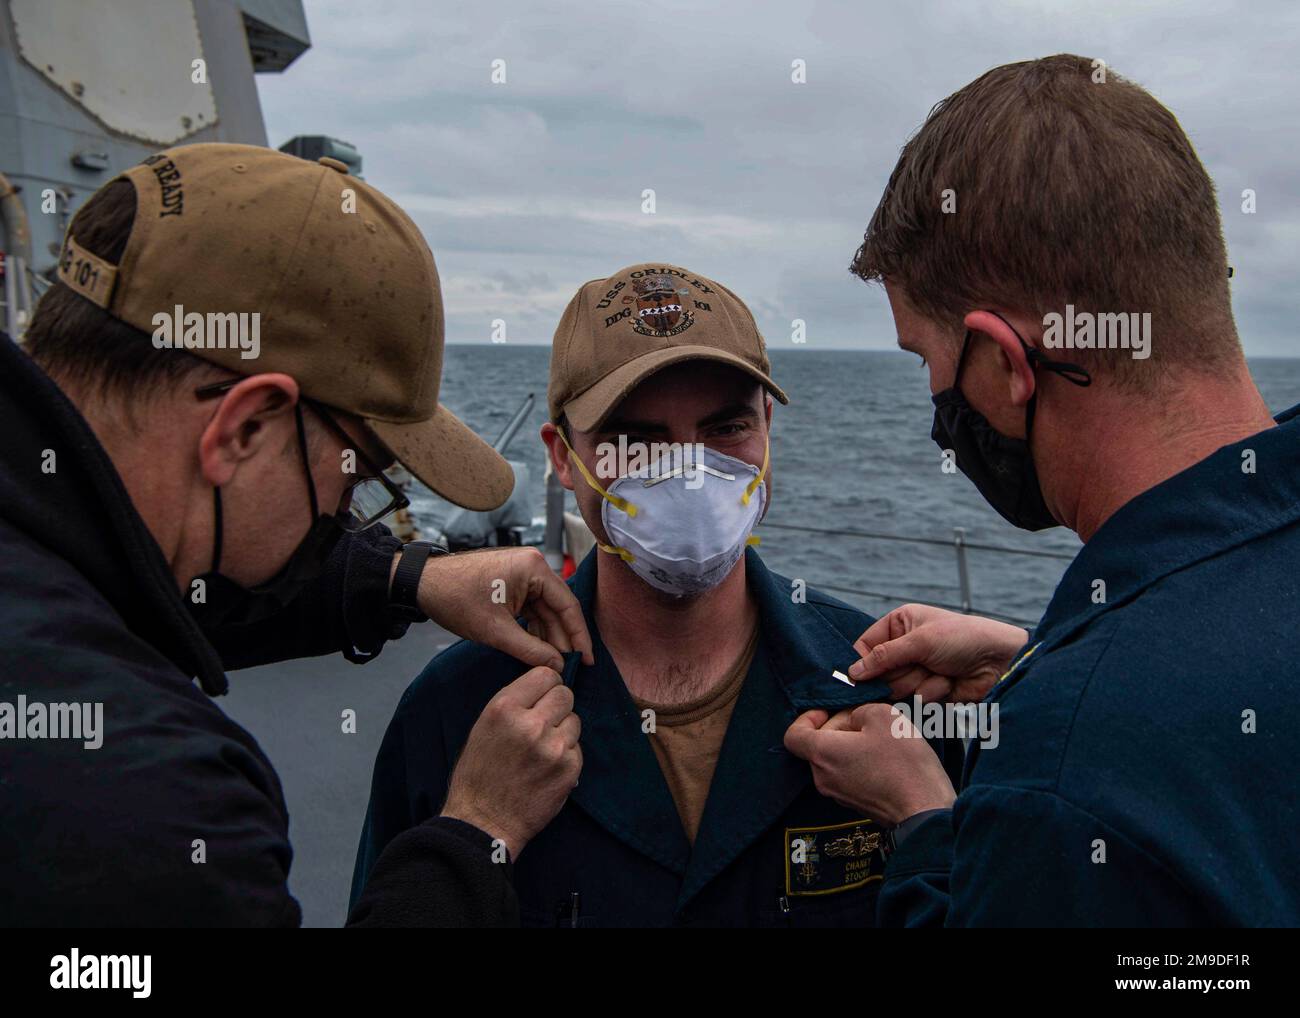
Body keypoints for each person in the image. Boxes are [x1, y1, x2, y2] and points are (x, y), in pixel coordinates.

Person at [0, 143, 591, 926]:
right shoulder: (155, 810)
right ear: (245, 426)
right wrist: (478, 828)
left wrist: (404, 577)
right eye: (354, 478)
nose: (340, 514)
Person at [784, 55, 1300, 926]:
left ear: (1005, 363)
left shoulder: (1065, 780)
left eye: (927, 360)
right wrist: (1036, 663)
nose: (935, 401)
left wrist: (926, 824)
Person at [352, 263, 963, 927]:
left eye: (726, 429)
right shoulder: (456, 712)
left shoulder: (890, 693)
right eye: (636, 440)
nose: (688, 473)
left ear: (768, 431)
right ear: (561, 456)